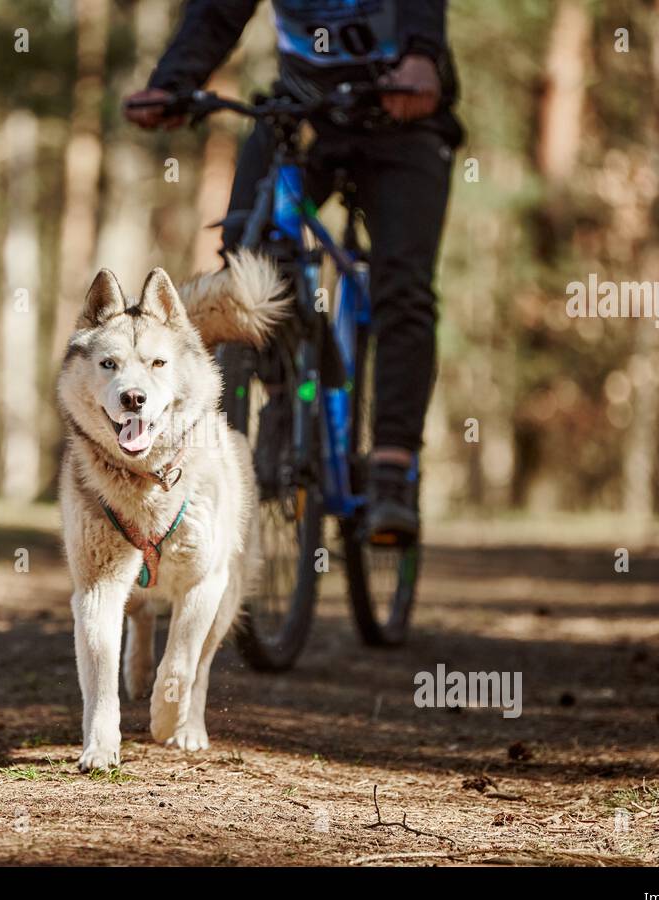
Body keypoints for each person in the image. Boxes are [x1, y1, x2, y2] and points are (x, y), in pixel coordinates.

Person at [123, 0, 462, 536]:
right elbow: (216, 13)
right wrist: (172, 83)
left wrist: (422, 56)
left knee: (403, 287)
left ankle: (393, 468)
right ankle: (286, 393)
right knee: (246, 248)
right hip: (306, 117)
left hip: (404, 114)